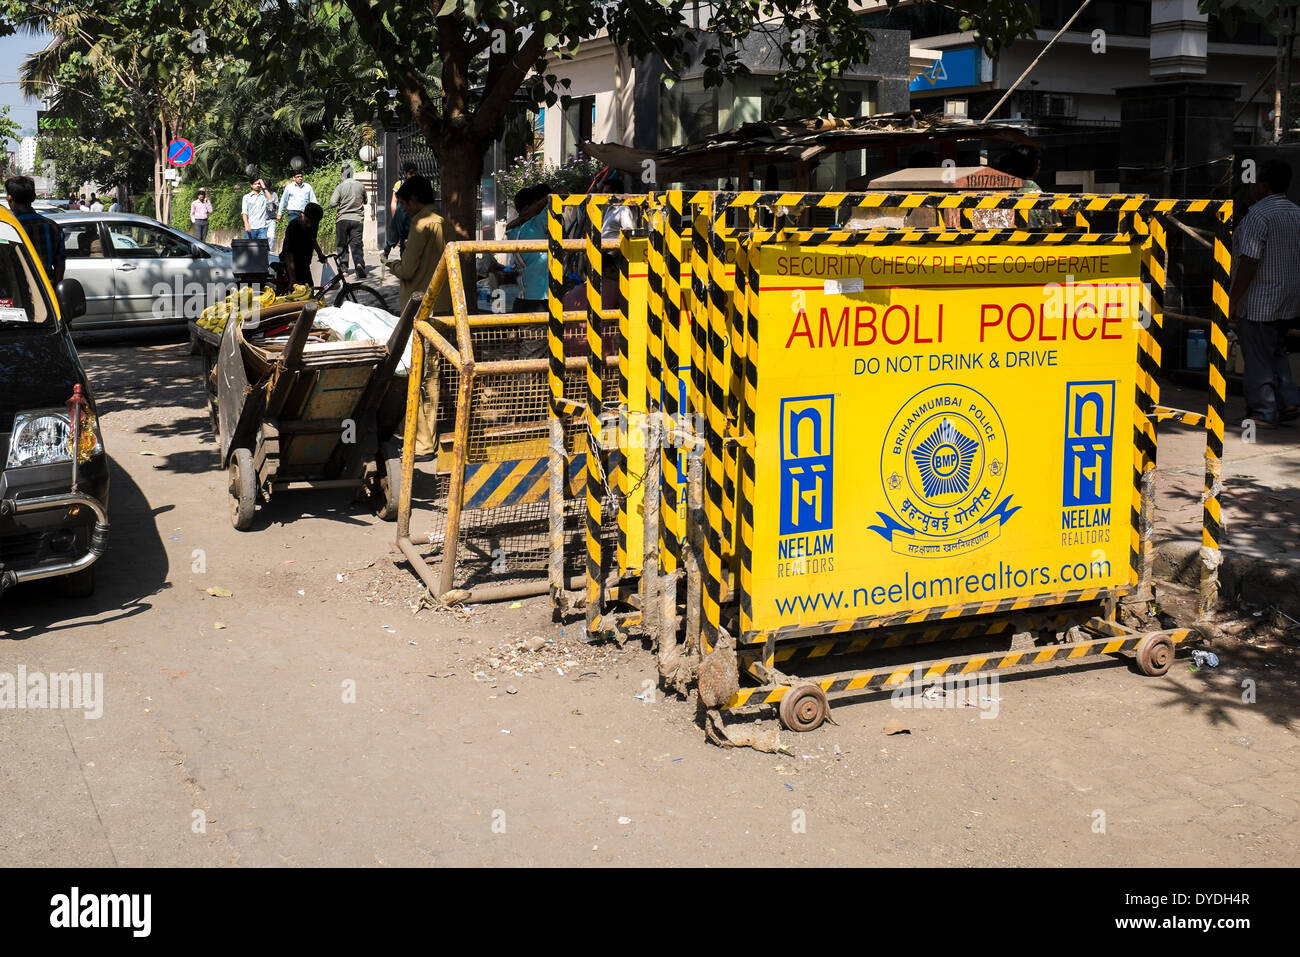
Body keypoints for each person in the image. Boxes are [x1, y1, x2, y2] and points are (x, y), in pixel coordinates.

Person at [1229, 158, 1300, 428]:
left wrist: (1233, 299)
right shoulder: (1296, 213)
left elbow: (1250, 260)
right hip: (1289, 298)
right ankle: (1288, 399)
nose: (1251, 186)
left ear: (1264, 186)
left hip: (1260, 299)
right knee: (1276, 350)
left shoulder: (1258, 216)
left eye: (1255, 181)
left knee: (1257, 355)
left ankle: (1262, 412)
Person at [386, 174, 451, 458]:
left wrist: (393, 266)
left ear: (414, 200)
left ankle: (424, 441)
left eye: (404, 204)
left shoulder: (422, 224)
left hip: (422, 309)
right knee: (432, 372)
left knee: (424, 375)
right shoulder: (444, 222)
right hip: (442, 306)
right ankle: (420, 432)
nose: (404, 209)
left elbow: (409, 270)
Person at [5, 175, 66, 284]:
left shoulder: (8, 228)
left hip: (17, 296)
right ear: (33, 197)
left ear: (9, 198)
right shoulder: (53, 227)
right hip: (45, 295)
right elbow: (59, 266)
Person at [505, 183, 550, 312]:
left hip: (523, 300)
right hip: (539, 302)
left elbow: (509, 226)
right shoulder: (537, 224)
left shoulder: (512, 231)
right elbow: (560, 193)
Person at [329, 164, 367, 278]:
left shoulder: (340, 187)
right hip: (357, 220)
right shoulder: (361, 186)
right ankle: (359, 264)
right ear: (352, 173)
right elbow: (365, 200)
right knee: (356, 244)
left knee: (342, 245)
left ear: (343, 175)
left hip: (342, 219)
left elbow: (332, 203)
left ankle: (344, 270)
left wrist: (342, 202)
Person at [280, 201, 327, 287]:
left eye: (313, 223)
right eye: (307, 221)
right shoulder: (293, 226)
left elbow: (313, 239)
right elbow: (288, 253)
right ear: (302, 214)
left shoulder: (313, 224)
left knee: (309, 288)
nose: (309, 225)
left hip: (304, 263)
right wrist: (293, 279)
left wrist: (320, 254)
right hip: (291, 265)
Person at [385, 161, 418, 257]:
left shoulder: (419, 185)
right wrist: (394, 216)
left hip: (415, 220)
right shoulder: (399, 185)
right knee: (404, 242)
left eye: (414, 173)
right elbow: (393, 202)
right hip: (404, 218)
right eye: (410, 173)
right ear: (405, 173)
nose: (412, 175)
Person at [260, 179, 279, 245]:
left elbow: (276, 207)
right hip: (262, 220)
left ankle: (270, 253)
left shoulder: (274, 194)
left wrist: (271, 201)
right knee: (262, 238)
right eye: (265, 186)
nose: (267, 188)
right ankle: (262, 252)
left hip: (271, 219)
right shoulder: (259, 195)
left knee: (271, 237)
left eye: (268, 186)